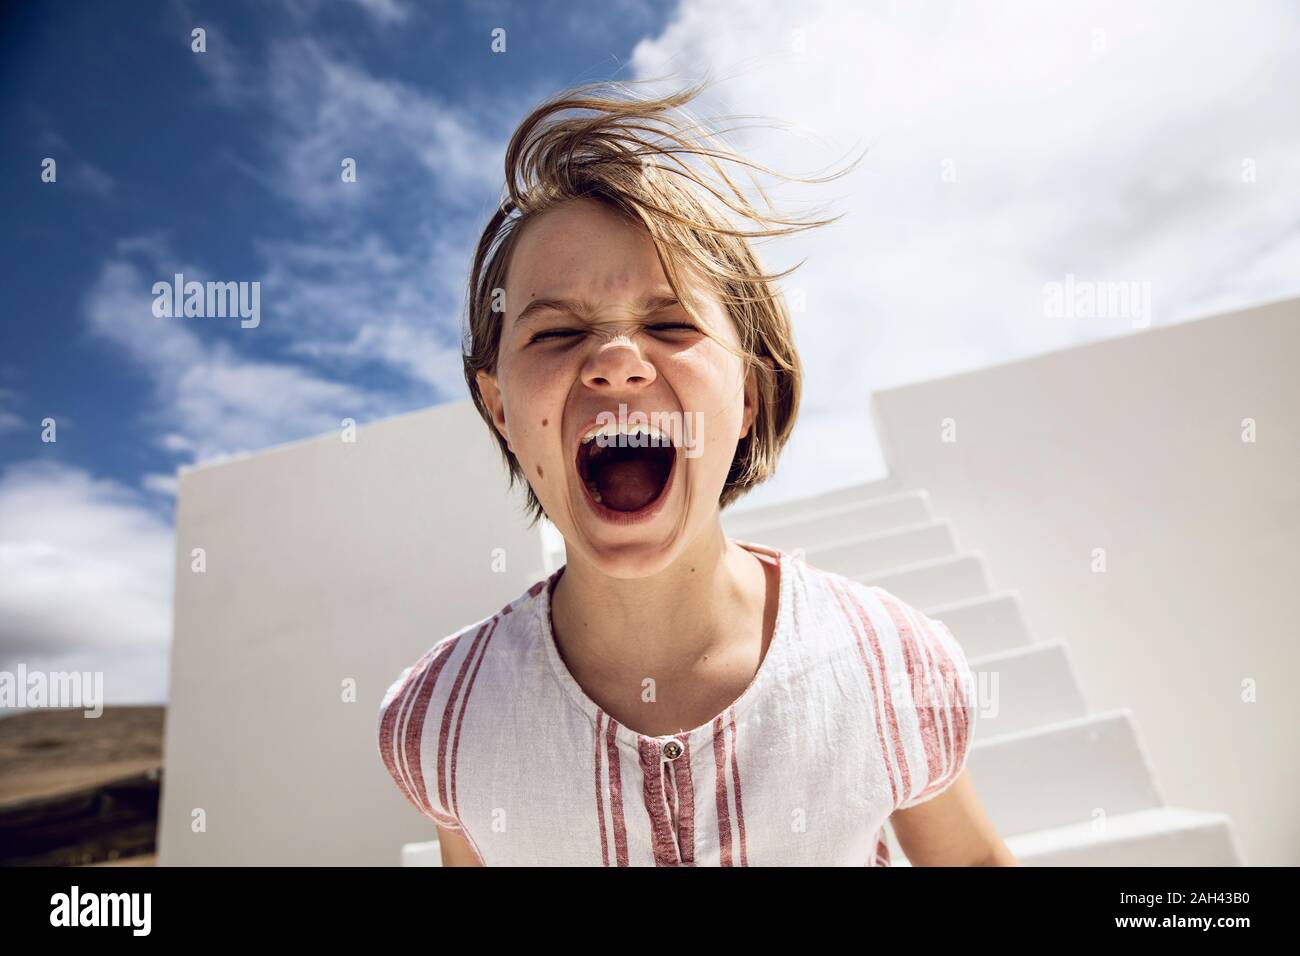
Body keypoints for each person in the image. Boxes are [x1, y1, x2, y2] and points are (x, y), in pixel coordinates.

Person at [377, 77, 1018, 867]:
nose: (614, 362)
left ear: (747, 392)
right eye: (556, 334)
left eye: (671, 323)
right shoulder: (444, 717)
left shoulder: (890, 663)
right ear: (501, 408)